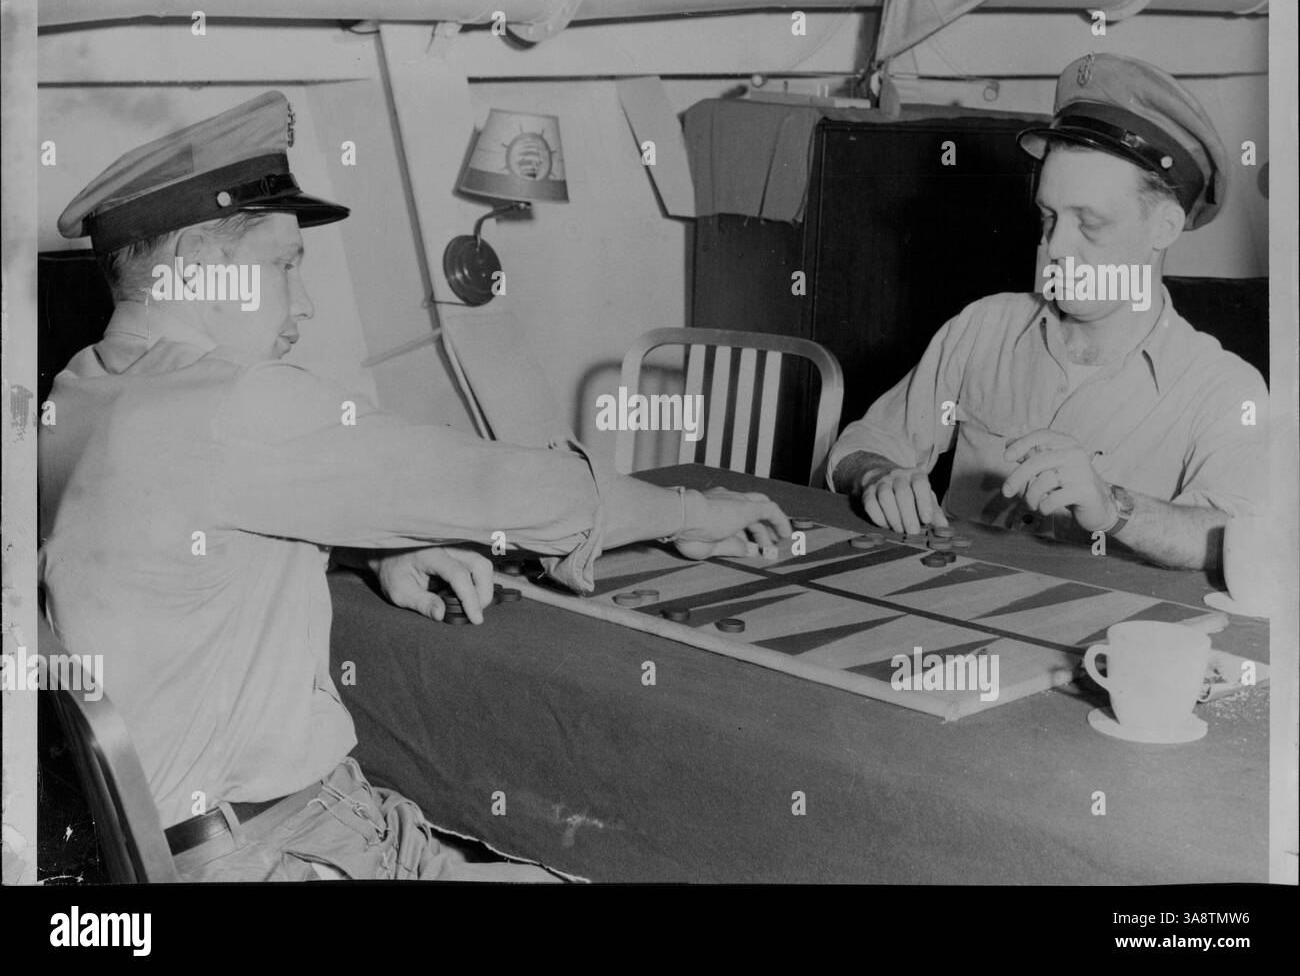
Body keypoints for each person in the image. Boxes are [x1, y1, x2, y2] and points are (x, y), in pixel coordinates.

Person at [39, 90, 791, 882]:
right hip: (276, 853)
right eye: (284, 265)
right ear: (195, 266)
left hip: (178, 844)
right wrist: (692, 510)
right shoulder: (236, 402)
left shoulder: (78, 394)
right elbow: (510, 488)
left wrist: (371, 551)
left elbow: (173, 544)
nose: (306, 301)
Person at [827, 53, 1266, 572]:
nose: (1055, 246)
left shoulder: (1224, 391)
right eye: (1049, 216)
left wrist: (1113, 508)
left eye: (1090, 224)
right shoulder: (982, 328)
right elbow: (863, 444)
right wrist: (878, 475)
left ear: (1164, 228)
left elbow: (1238, 542)